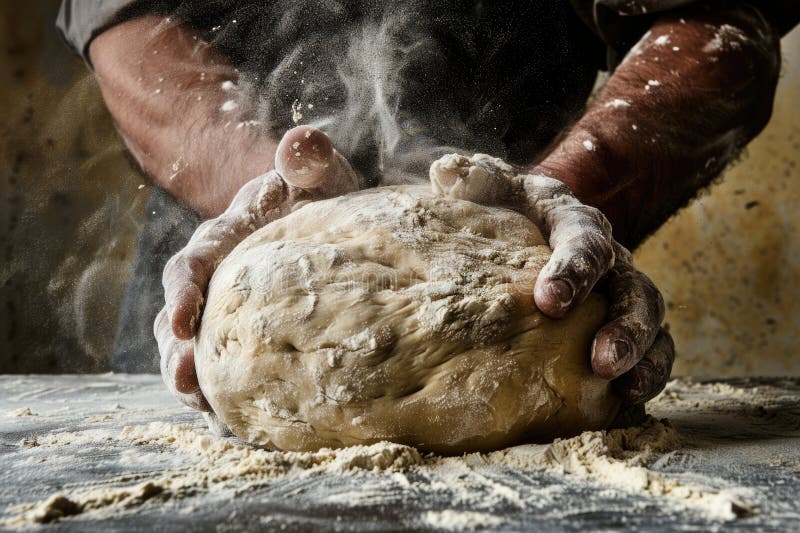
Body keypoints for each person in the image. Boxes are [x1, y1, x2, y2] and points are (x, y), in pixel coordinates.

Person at [58, 1, 799, 432]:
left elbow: (722, 26)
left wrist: (562, 193)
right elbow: (121, 19)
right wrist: (270, 189)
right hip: (237, 237)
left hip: (528, 255)